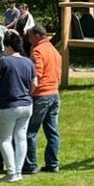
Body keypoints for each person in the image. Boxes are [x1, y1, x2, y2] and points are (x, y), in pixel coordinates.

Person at [0, 32, 35, 183]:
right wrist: (26, 94)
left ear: (9, 47)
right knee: (21, 138)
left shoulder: (4, 62)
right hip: (26, 104)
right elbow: (35, 84)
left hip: (8, 105)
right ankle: (18, 171)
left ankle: (11, 172)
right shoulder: (28, 62)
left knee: (5, 139)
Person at [24, 23, 62, 174]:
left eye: (30, 36)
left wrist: (29, 91)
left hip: (41, 95)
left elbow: (36, 74)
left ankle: (30, 165)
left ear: (38, 36)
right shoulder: (54, 50)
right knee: (52, 132)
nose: (28, 39)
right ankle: (52, 164)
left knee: (30, 132)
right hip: (54, 93)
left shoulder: (38, 51)